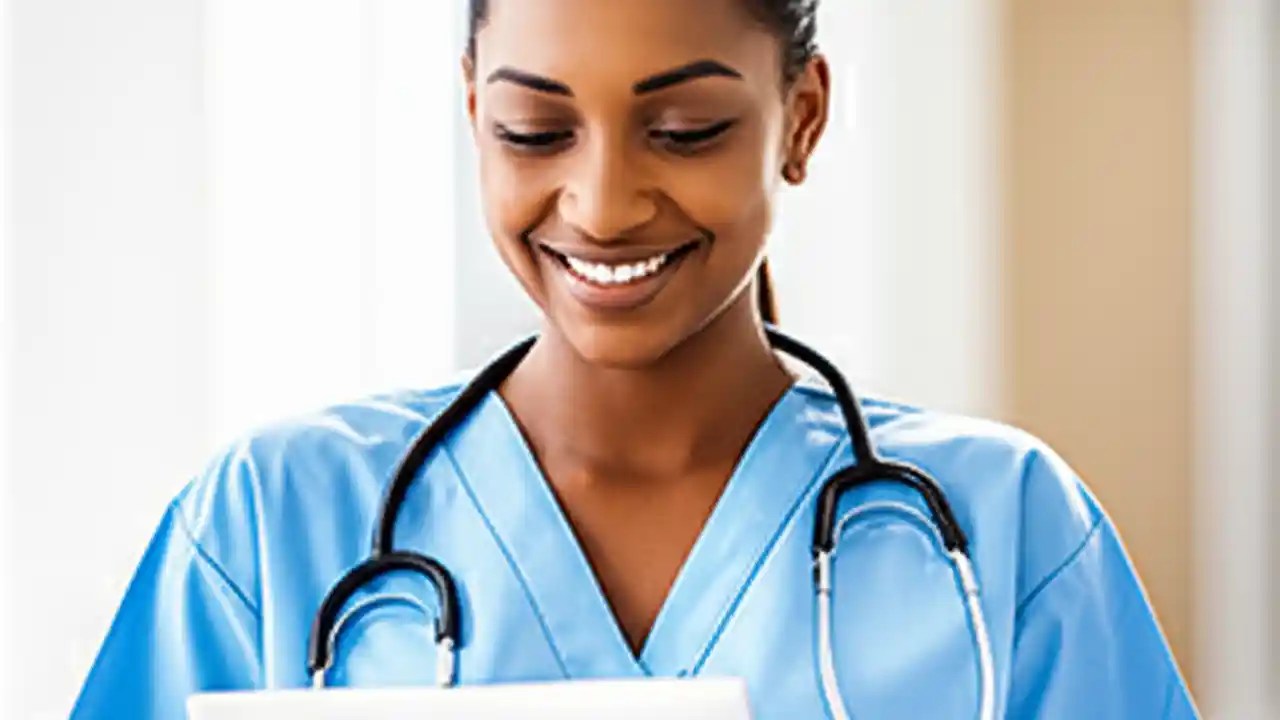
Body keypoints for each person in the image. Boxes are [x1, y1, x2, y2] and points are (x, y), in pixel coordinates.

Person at [72, 1, 1197, 718]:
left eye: (685, 129)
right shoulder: (272, 523)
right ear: (473, 114)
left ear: (799, 118)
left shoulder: (1010, 530)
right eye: (534, 132)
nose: (602, 206)